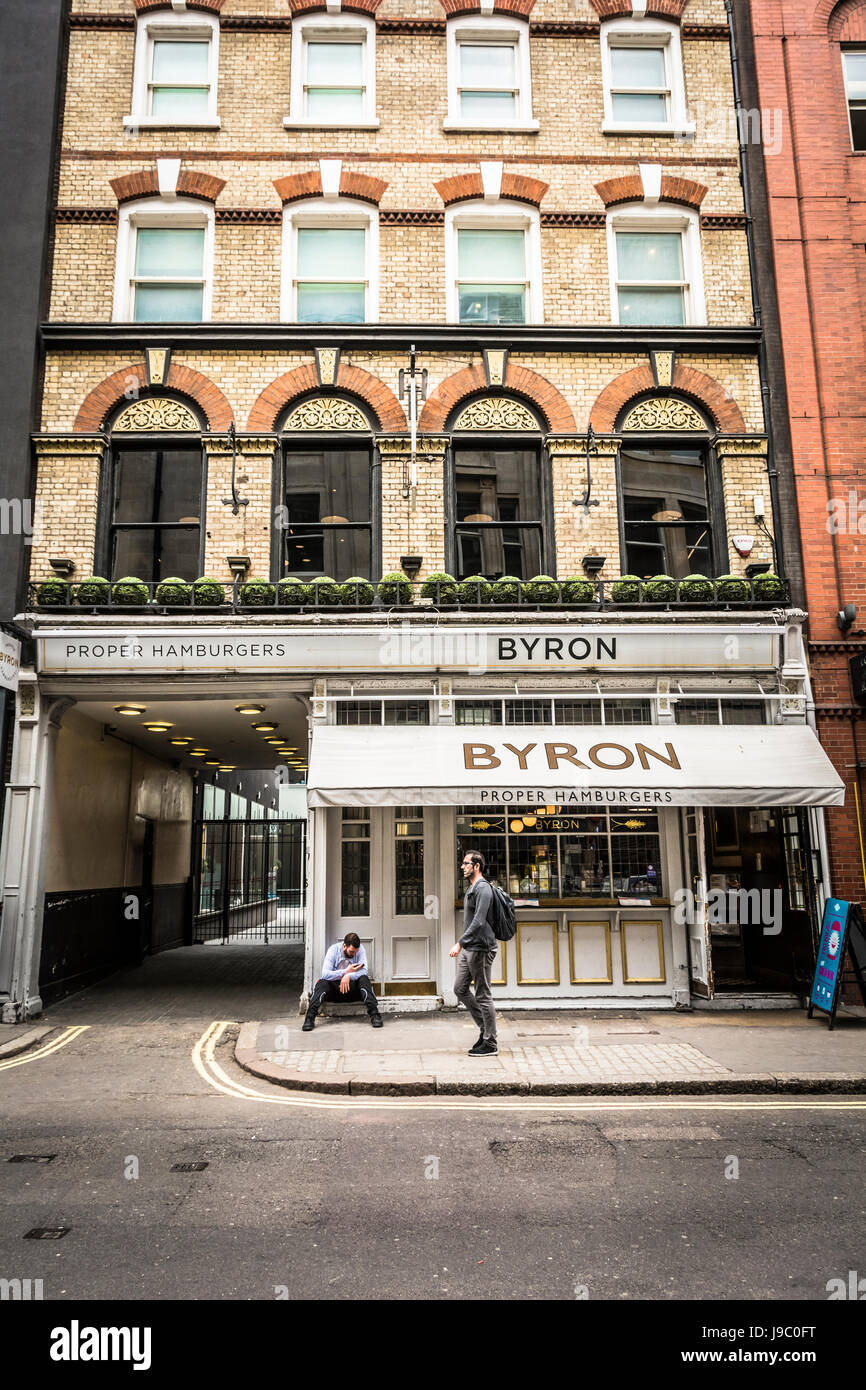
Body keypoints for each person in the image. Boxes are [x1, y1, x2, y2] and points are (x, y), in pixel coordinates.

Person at [450, 849, 498, 1056]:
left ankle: (490, 1042)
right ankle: (485, 1030)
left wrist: (459, 943)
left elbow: (479, 921)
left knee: (483, 994)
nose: (462, 866)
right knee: (459, 988)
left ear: (476, 866)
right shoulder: (471, 888)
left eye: (466, 863)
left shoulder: (483, 888)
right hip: (471, 948)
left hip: (480, 949)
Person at [302, 932, 383, 1030]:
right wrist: (345, 972)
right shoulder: (333, 950)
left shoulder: (360, 949)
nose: (354, 955)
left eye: (356, 952)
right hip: (335, 991)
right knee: (322, 983)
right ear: (344, 946)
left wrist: (348, 976)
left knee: (364, 979)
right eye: (351, 952)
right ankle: (310, 1017)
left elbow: (364, 971)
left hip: (352, 991)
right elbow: (325, 974)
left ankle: (375, 1015)